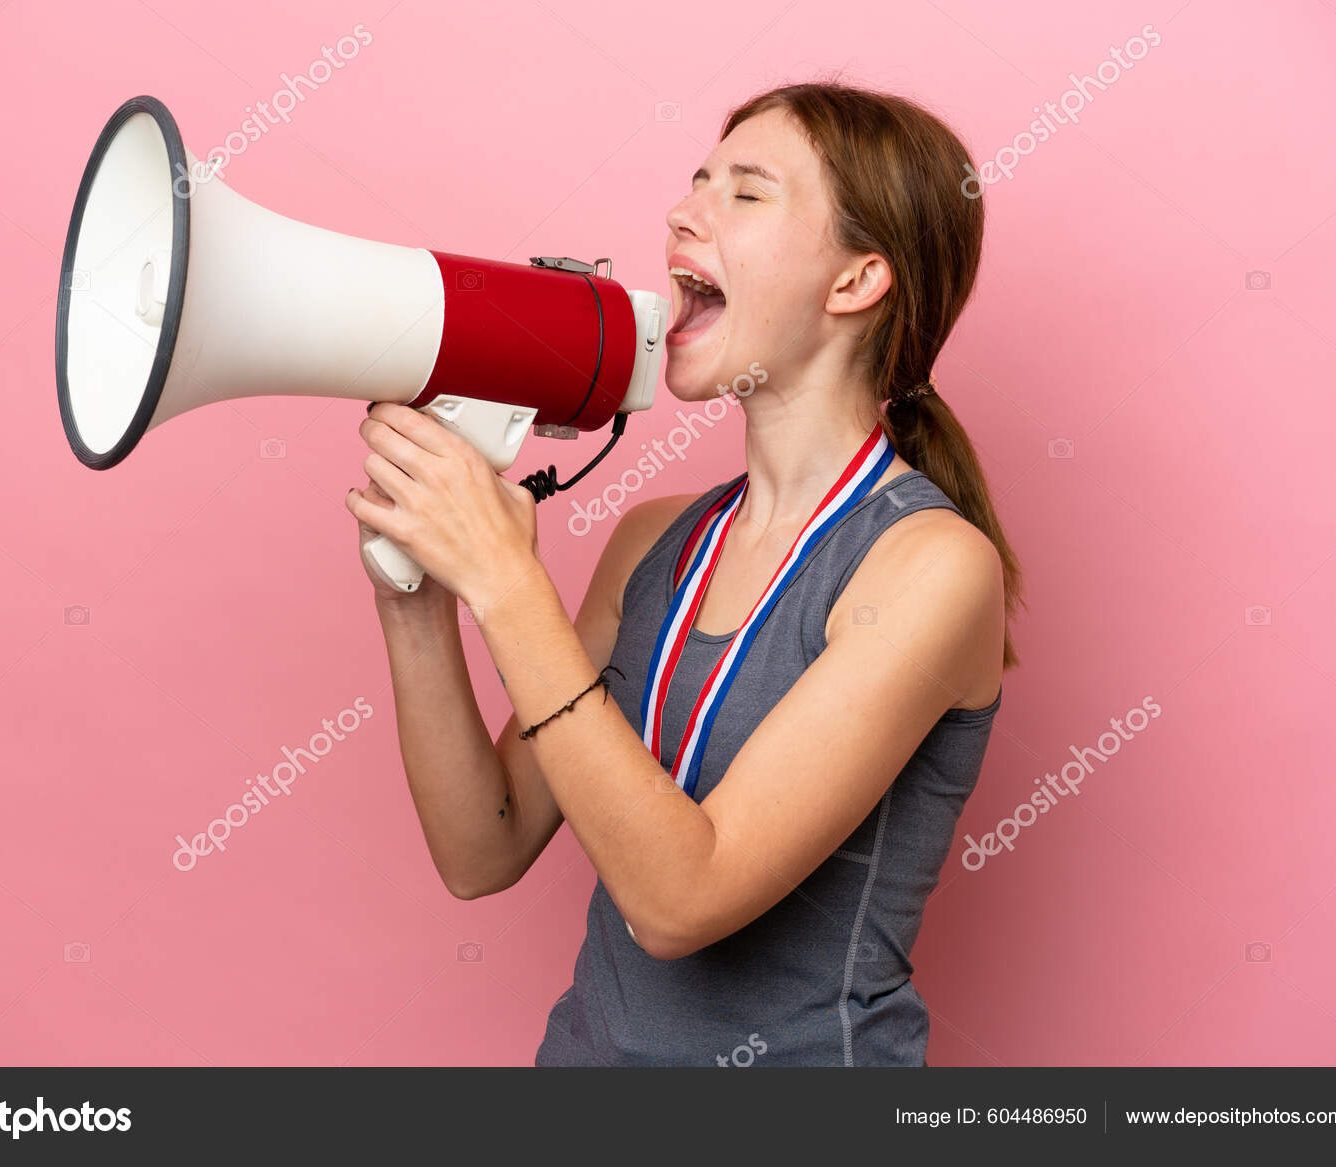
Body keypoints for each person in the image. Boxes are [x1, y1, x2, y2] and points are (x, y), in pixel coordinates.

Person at [345, 80, 1024, 1066]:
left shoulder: (932, 568)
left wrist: (505, 581)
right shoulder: (652, 541)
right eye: (697, 181)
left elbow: (679, 902)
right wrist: (417, 594)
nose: (682, 212)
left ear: (855, 281)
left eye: (746, 193)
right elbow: (480, 848)